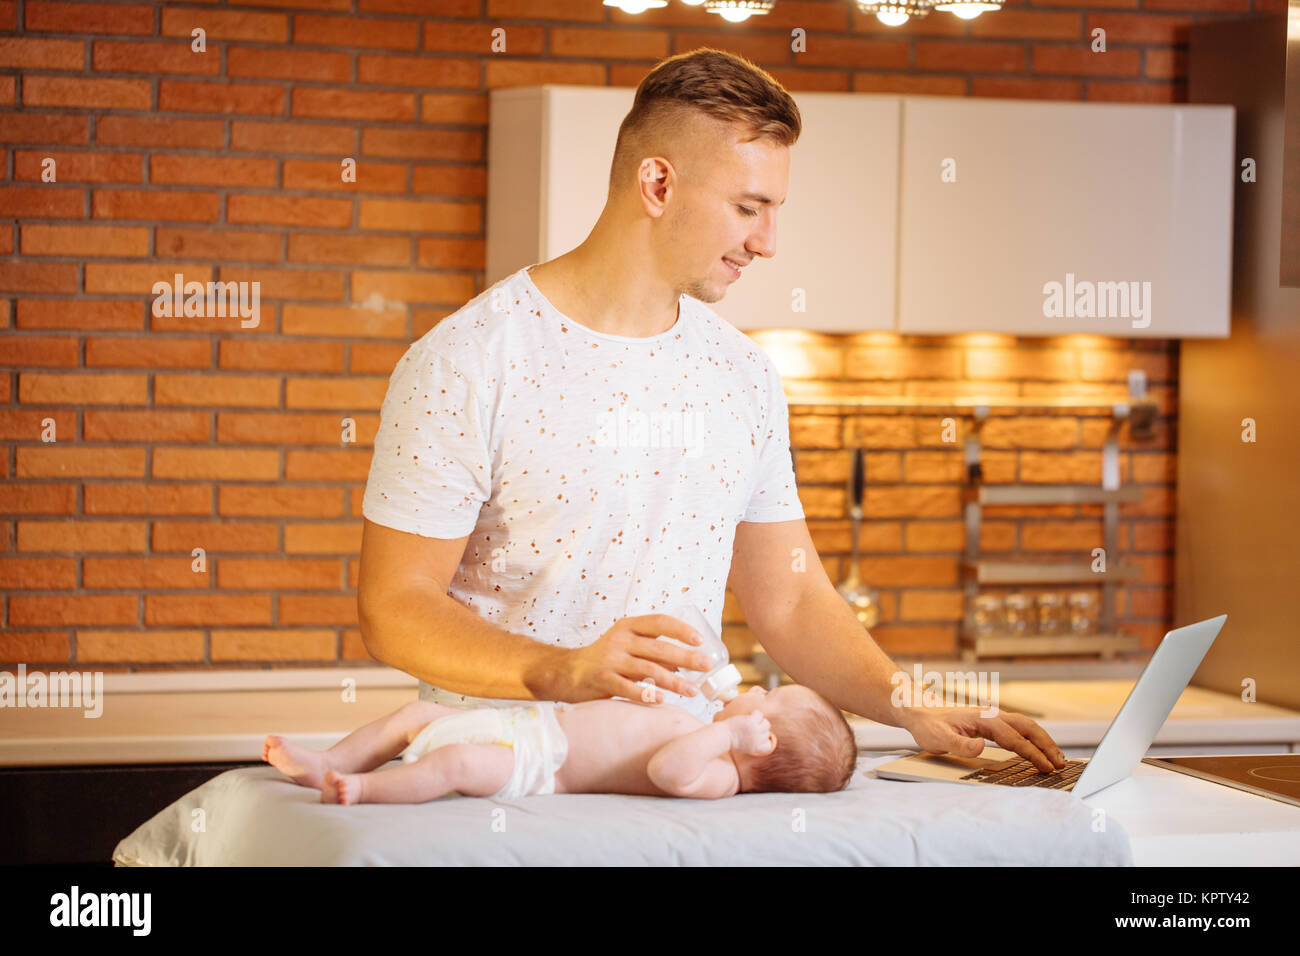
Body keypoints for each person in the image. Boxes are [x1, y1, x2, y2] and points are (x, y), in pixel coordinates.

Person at [356, 47, 1068, 775]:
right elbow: (394, 606)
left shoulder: (743, 374)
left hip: (685, 787)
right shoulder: (470, 360)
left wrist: (908, 700)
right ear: (658, 183)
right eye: (747, 208)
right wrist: (561, 669)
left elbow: (788, 598)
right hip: (503, 788)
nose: (767, 243)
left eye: (774, 211)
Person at [263, 683, 856, 803]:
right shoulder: (707, 729)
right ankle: (328, 762)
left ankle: (363, 787)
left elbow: (666, 770)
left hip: (539, 764)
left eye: (766, 698)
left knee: (455, 763)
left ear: (763, 738)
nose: (752, 688)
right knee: (415, 714)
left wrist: (724, 731)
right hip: (529, 722)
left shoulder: (719, 776)